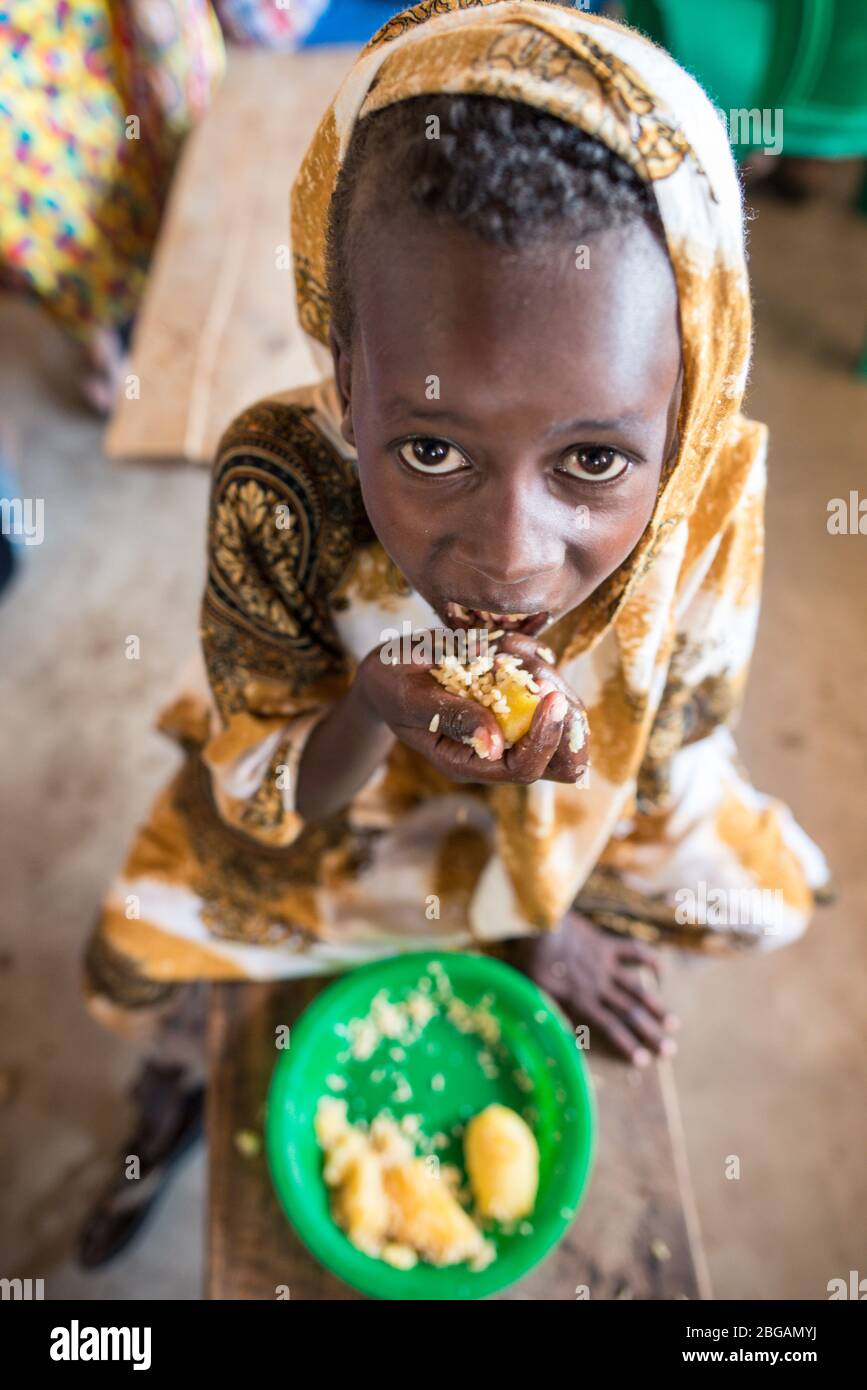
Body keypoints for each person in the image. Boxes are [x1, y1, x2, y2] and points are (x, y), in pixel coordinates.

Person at [77, 0, 832, 1265]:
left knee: (757, 897)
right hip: (339, 786)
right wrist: (375, 700)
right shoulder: (282, 480)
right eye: (430, 448)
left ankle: (528, 926)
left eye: (594, 458)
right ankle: (179, 1086)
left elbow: (672, 748)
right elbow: (268, 777)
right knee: (143, 939)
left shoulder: (700, 511)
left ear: (688, 395)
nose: (510, 554)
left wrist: (553, 910)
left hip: (579, 832)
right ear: (345, 370)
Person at [0, 1, 224, 413]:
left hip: (91, 34)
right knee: (37, 211)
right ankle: (102, 336)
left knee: (148, 163)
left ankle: (144, 319)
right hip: (17, 58)